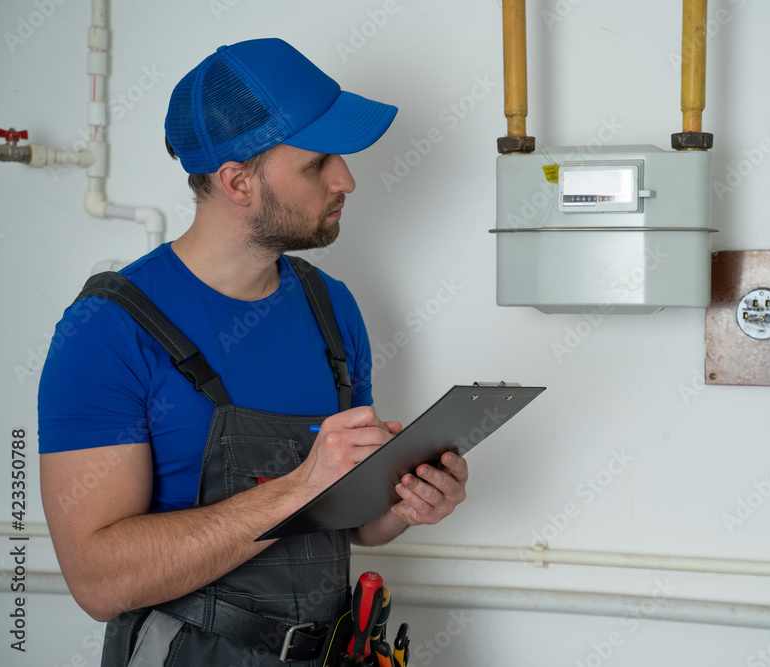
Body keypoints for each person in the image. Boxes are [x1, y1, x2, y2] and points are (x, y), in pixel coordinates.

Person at [37, 37, 468, 666]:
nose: (346, 179)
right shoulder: (107, 331)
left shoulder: (331, 307)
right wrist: (298, 487)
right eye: (318, 162)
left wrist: (405, 503)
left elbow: (351, 521)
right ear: (238, 181)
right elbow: (99, 581)